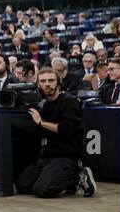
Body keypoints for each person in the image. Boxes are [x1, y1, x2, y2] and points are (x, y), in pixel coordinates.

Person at [14, 68, 92, 198]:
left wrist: (41, 122)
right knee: (22, 186)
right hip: (47, 157)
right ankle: (67, 182)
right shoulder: (44, 104)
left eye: (51, 80)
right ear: (38, 84)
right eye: (43, 81)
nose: (47, 84)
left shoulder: (69, 100)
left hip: (67, 156)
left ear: (58, 82)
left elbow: (66, 129)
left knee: (42, 190)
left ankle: (79, 176)